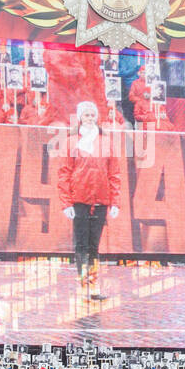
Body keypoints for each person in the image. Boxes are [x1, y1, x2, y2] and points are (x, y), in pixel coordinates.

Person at [58, 101, 120, 294]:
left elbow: (114, 173)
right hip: (80, 200)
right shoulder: (70, 142)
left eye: (93, 115)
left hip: (101, 200)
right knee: (81, 243)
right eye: (86, 115)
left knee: (95, 244)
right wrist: (66, 202)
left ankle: (92, 284)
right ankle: (83, 283)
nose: (90, 118)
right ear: (80, 117)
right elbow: (64, 173)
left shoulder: (106, 143)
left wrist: (115, 201)